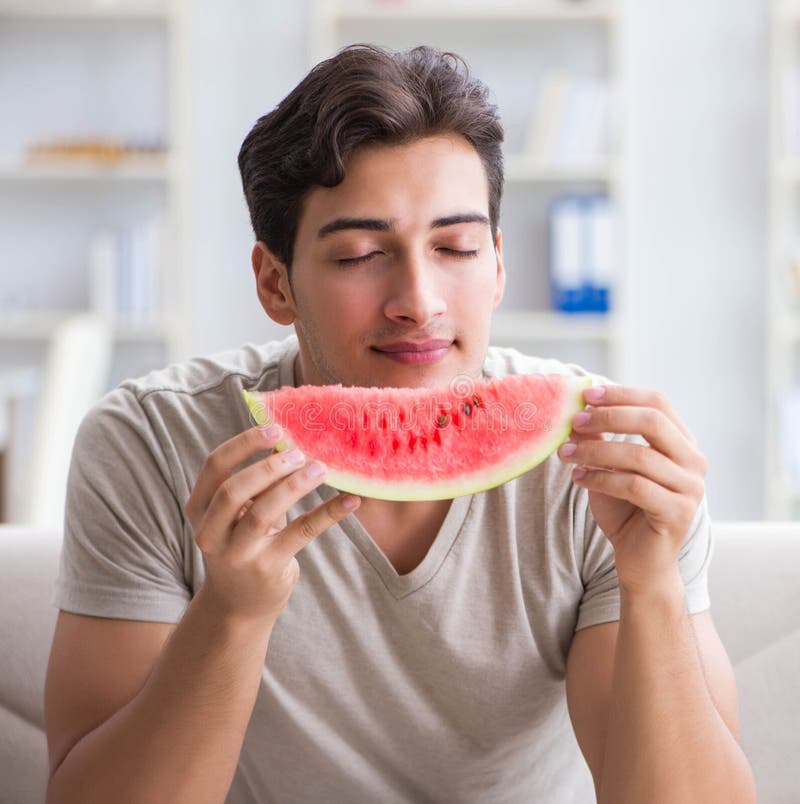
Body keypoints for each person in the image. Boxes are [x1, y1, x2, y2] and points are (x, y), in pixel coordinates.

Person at [44, 44, 755, 803]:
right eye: (361, 253)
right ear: (274, 282)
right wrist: (231, 612)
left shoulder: (609, 457)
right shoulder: (151, 442)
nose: (420, 298)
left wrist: (650, 581)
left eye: (456, 247)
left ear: (499, 266)